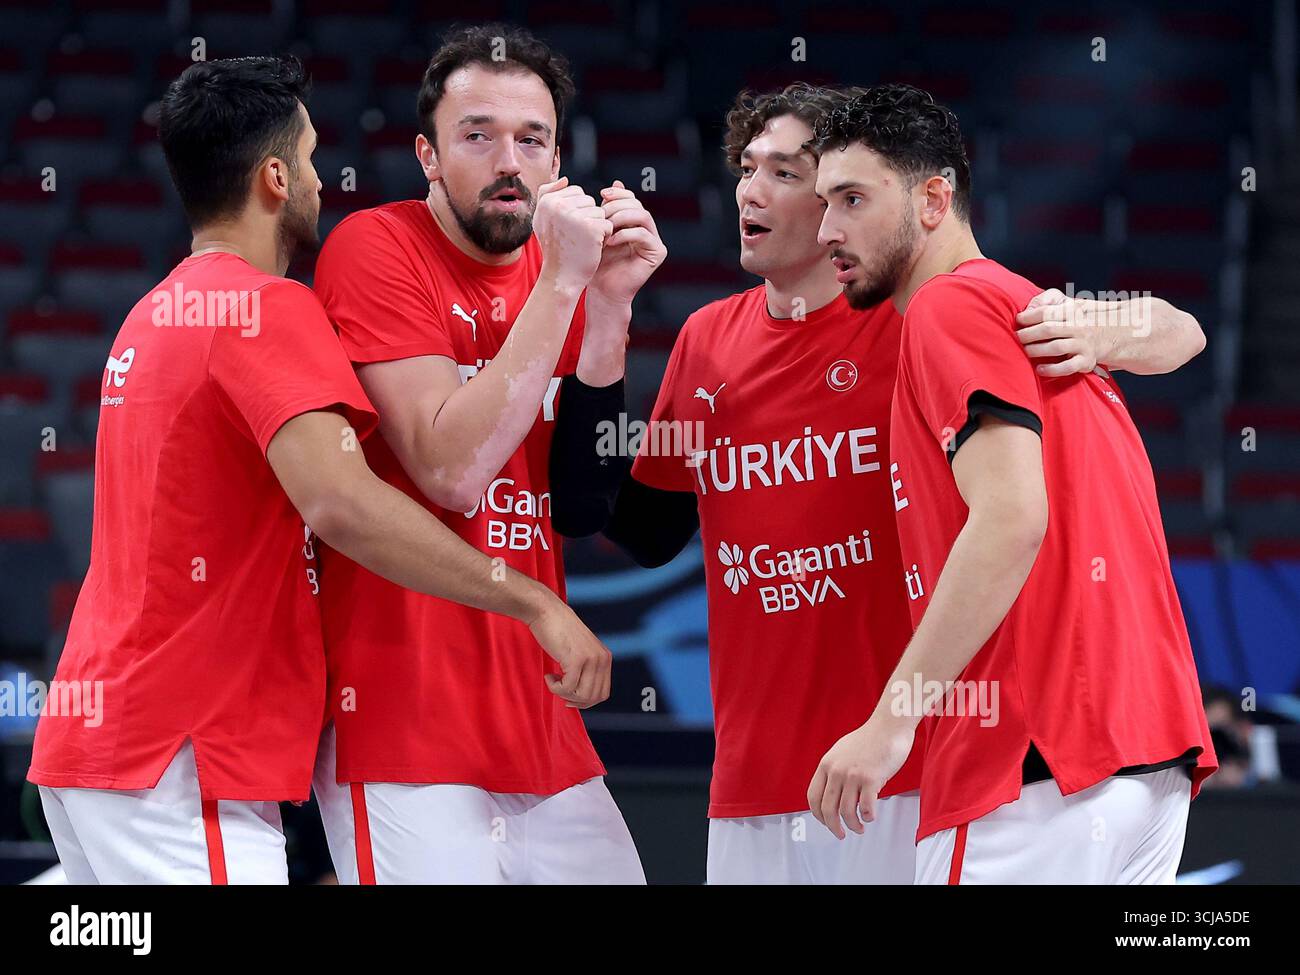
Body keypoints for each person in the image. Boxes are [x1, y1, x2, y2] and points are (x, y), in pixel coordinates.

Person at [550, 83, 1208, 885]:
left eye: (793, 175)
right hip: (760, 779)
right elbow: (630, 529)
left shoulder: (920, 308)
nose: (754, 191)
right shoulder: (708, 341)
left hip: (911, 766)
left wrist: (1108, 323)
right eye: (747, 169)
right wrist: (608, 314)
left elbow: (1175, 337)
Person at [27, 55, 608, 885]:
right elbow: (344, 504)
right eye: (305, 161)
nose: (317, 183)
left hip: (105, 746)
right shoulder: (268, 306)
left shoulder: (155, 312)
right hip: (184, 751)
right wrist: (528, 597)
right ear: (272, 177)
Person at [806, 83, 1217, 884]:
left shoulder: (948, 308)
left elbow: (1010, 518)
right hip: (1149, 760)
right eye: (824, 202)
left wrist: (891, 724)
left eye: (853, 198)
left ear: (934, 199)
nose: (829, 230)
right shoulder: (1029, 307)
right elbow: (1182, 330)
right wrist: (1127, 325)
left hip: (1034, 766)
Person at [309, 24, 661, 884]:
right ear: (428, 154)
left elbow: (578, 507)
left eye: (532, 139)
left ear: (557, 157)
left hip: (536, 714)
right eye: (479, 136)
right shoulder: (376, 246)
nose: (510, 160)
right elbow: (449, 472)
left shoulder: (565, 271)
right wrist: (564, 285)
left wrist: (609, 306)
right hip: (401, 712)